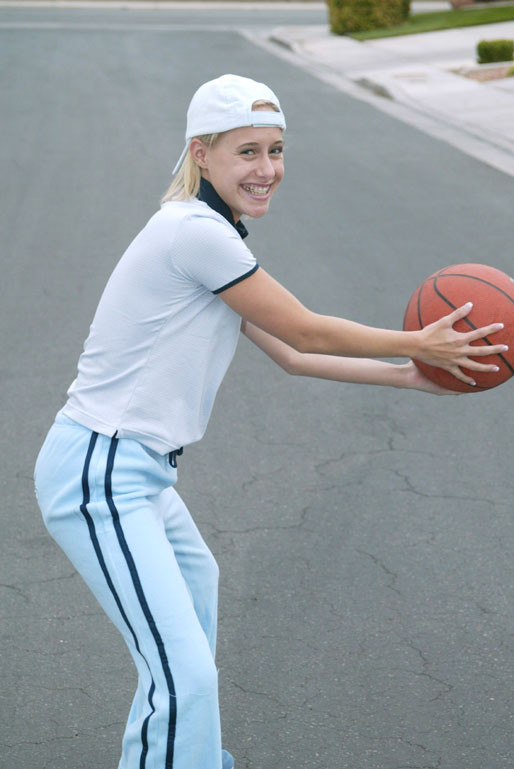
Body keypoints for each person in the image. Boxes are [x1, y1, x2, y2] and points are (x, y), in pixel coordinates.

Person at [34, 74, 507, 769]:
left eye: (276, 150)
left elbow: (289, 354)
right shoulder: (194, 234)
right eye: (247, 152)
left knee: (193, 603)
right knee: (182, 670)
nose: (266, 169)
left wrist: (412, 378)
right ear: (201, 154)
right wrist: (418, 343)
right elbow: (309, 331)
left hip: (136, 472)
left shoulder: (212, 236)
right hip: (99, 472)